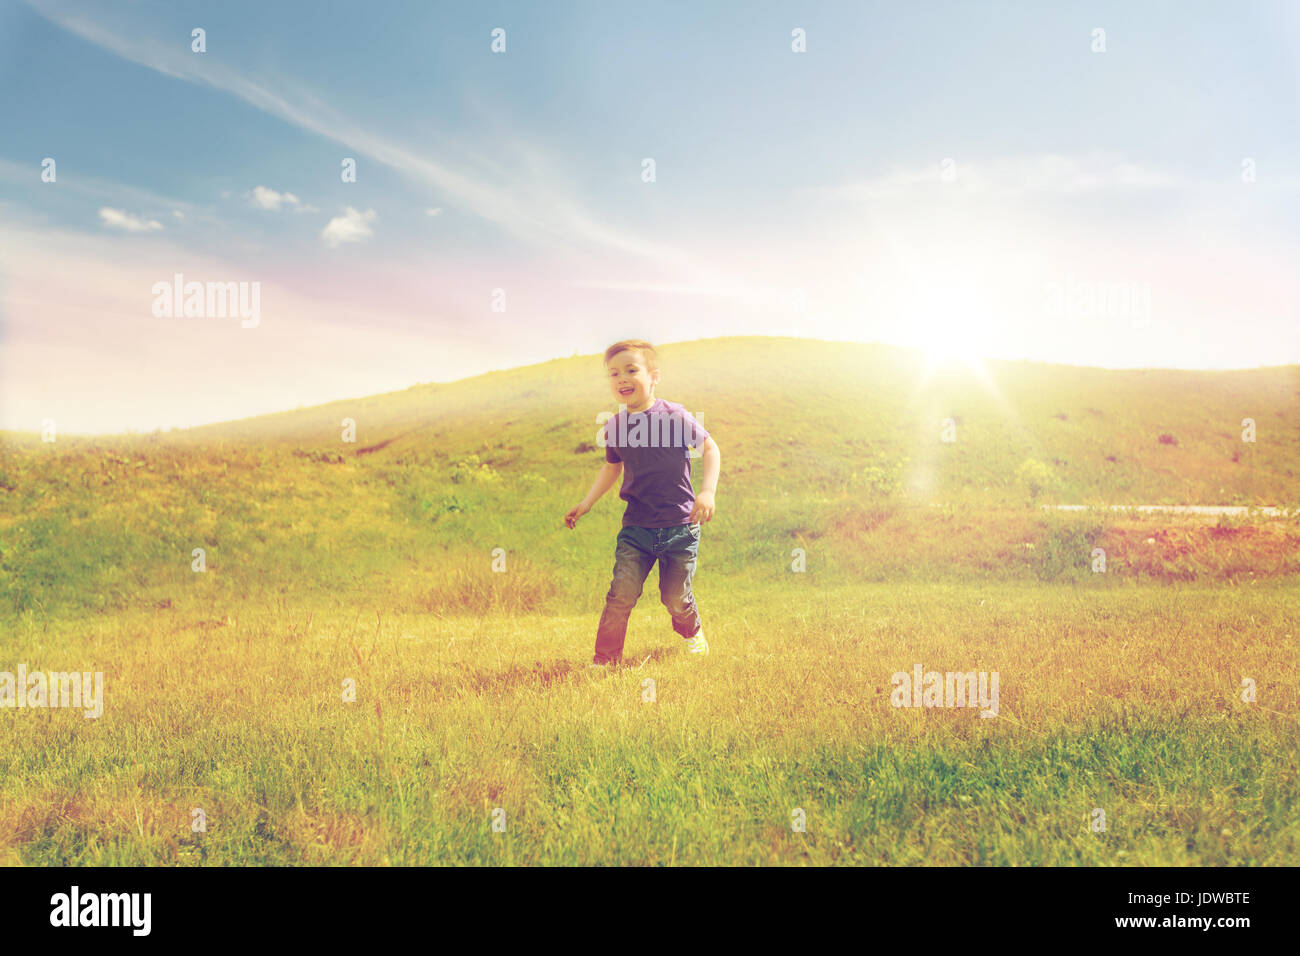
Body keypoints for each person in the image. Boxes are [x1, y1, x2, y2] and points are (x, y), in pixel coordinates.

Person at [564, 340, 720, 667]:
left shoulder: (674, 415)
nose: (622, 379)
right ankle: (605, 660)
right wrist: (586, 503)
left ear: (653, 376)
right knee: (621, 594)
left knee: (675, 598)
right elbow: (612, 467)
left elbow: (710, 449)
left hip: (680, 526)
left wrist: (706, 492)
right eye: (614, 373)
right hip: (636, 528)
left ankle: (692, 633)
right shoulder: (614, 427)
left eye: (631, 370)